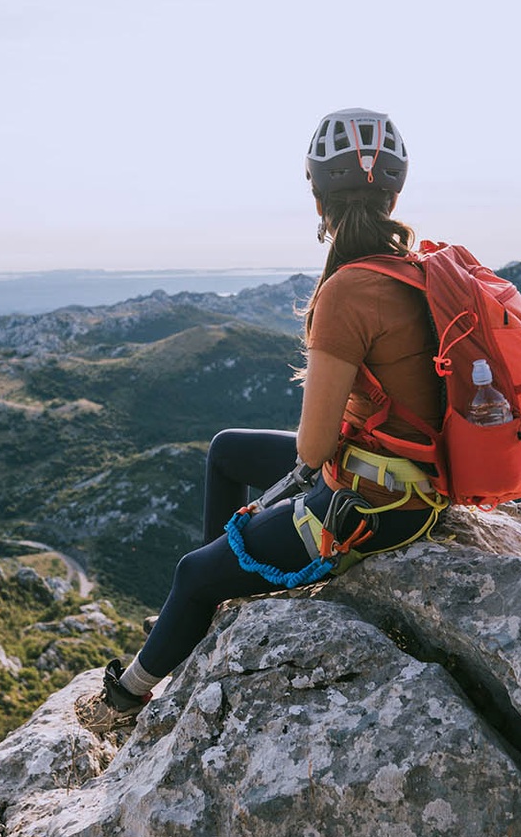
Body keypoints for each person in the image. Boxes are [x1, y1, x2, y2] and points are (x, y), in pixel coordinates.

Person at [101, 108, 448, 718]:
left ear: (319, 201)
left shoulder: (347, 290)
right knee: (228, 447)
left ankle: (125, 697)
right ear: (394, 193)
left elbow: (311, 454)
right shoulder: (416, 270)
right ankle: (219, 591)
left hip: (375, 504)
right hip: (409, 481)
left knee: (190, 573)